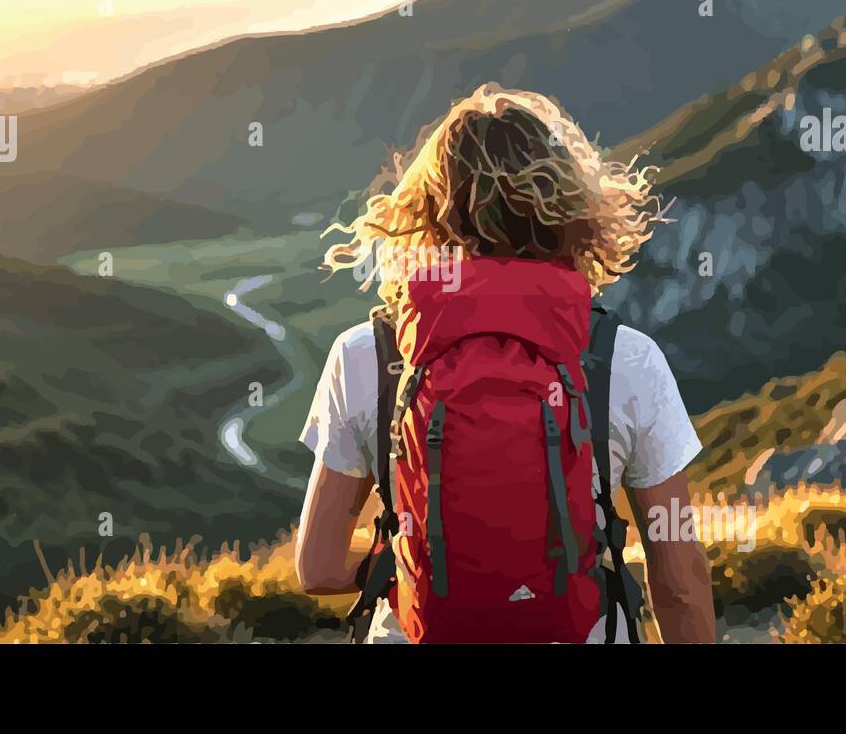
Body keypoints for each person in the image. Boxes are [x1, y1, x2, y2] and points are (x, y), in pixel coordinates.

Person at [295, 83, 715, 643]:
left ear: (425, 210)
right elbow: (680, 578)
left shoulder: (367, 354)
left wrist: (409, 576)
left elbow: (317, 567)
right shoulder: (624, 358)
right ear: (571, 211)